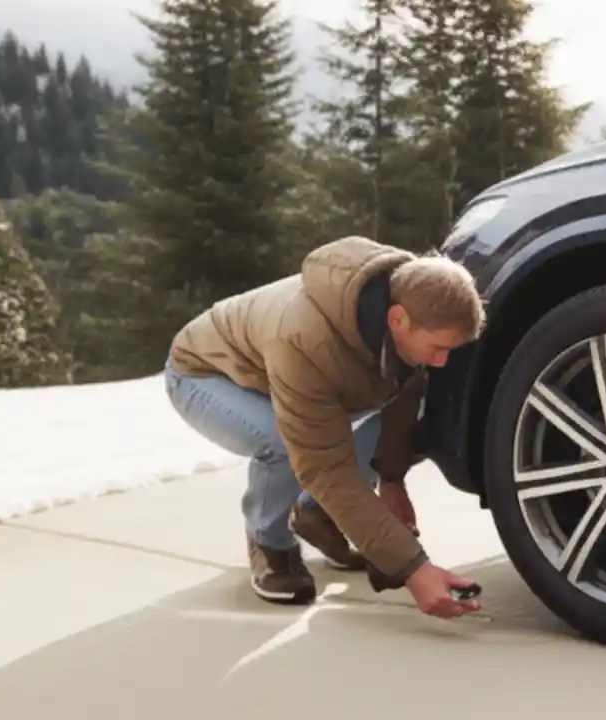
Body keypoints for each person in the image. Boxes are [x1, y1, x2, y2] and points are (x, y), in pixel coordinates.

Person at [162, 235, 485, 619]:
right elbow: (324, 465)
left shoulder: (411, 302)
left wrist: (391, 480)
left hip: (284, 381)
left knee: (422, 416)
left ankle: (315, 514)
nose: (443, 362)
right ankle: (269, 542)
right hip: (207, 375)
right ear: (397, 320)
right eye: (437, 348)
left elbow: (402, 407)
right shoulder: (304, 339)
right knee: (284, 442)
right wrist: (414, 569)